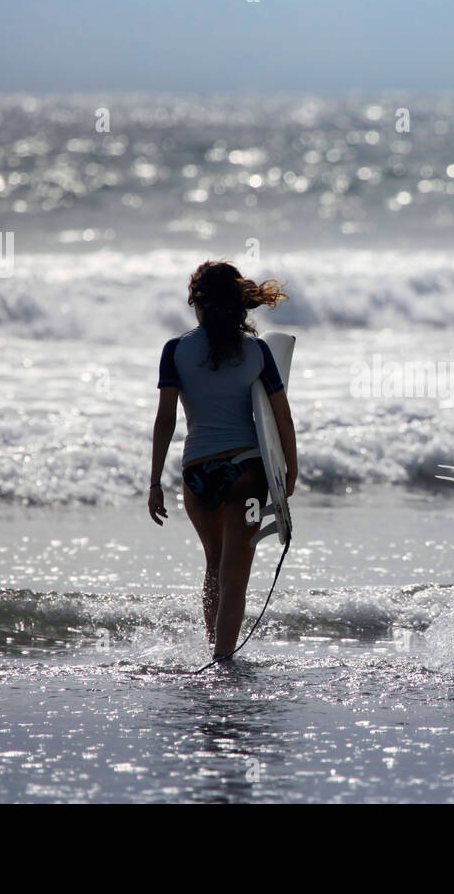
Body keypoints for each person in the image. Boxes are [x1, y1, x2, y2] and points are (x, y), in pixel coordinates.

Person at [147, 261, 297, 660]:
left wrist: (154, 482)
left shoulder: (175, 350)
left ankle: (216, 653)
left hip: (198, 474)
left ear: (196, 302)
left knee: (214, 565)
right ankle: (222, 663)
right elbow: (281, 418)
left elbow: (166, 420)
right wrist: (289, 474)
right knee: (235, 578)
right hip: (247, 474)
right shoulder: (258, 352)